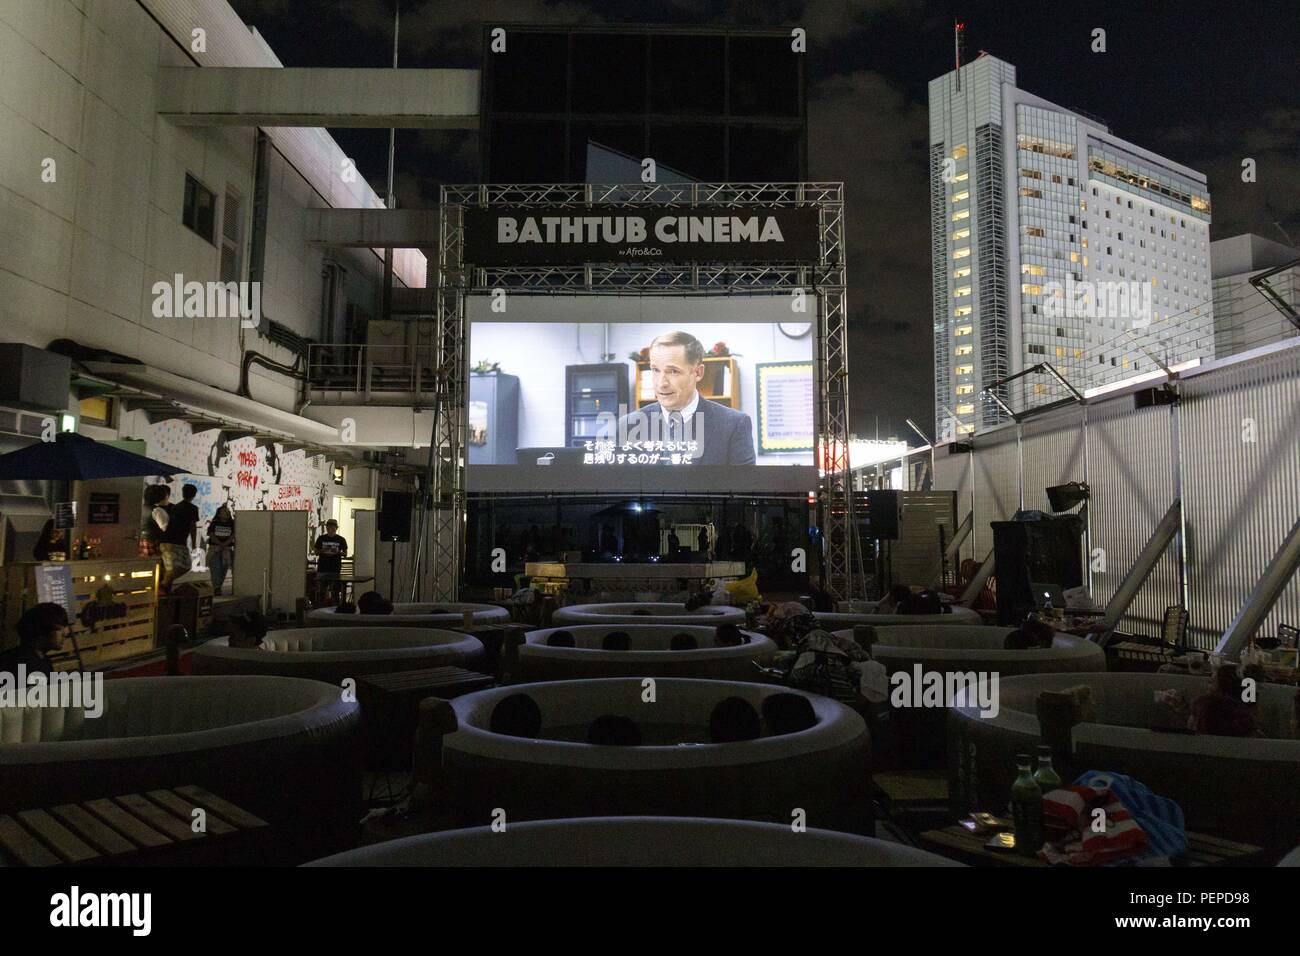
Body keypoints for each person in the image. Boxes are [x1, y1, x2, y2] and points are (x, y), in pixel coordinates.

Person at [615, 331, 756, 465]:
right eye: (655, 370)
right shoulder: (627, 427)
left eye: (673, 371)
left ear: (698, 373)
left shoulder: (734, 425)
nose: (661, 383)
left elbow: (744, 489)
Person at [0, 603, 70, 677]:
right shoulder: (20, 665)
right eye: (58, 629)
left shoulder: (43, 661)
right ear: (41, 630)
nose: (65, 634)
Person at [313, 519, 348, 605]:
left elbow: (345, 553)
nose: (330, 528)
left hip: (335, 568)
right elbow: (316, 551)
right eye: (329, 526)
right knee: (322, 591)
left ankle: (335, 608)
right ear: (326, 527)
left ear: (336, 528)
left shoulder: (341, 539)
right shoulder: (321, 538)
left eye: (332, 527)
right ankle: (321, 608)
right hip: (323, 568)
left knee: (335, 591)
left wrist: (338, 552)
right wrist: (323, 551)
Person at [206, 504, 236, 595]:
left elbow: (233, 535)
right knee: (216, 568)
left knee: (224, 568)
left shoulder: (232, 524)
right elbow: (211, 534)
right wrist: (220, 544)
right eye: (223, 511)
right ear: (219, 514)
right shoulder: (214, 523)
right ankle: (217, 587)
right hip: (215, 549)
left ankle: (219, 585)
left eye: (227, 512)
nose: (226, 513)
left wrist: (225, 544)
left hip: (226, 549)